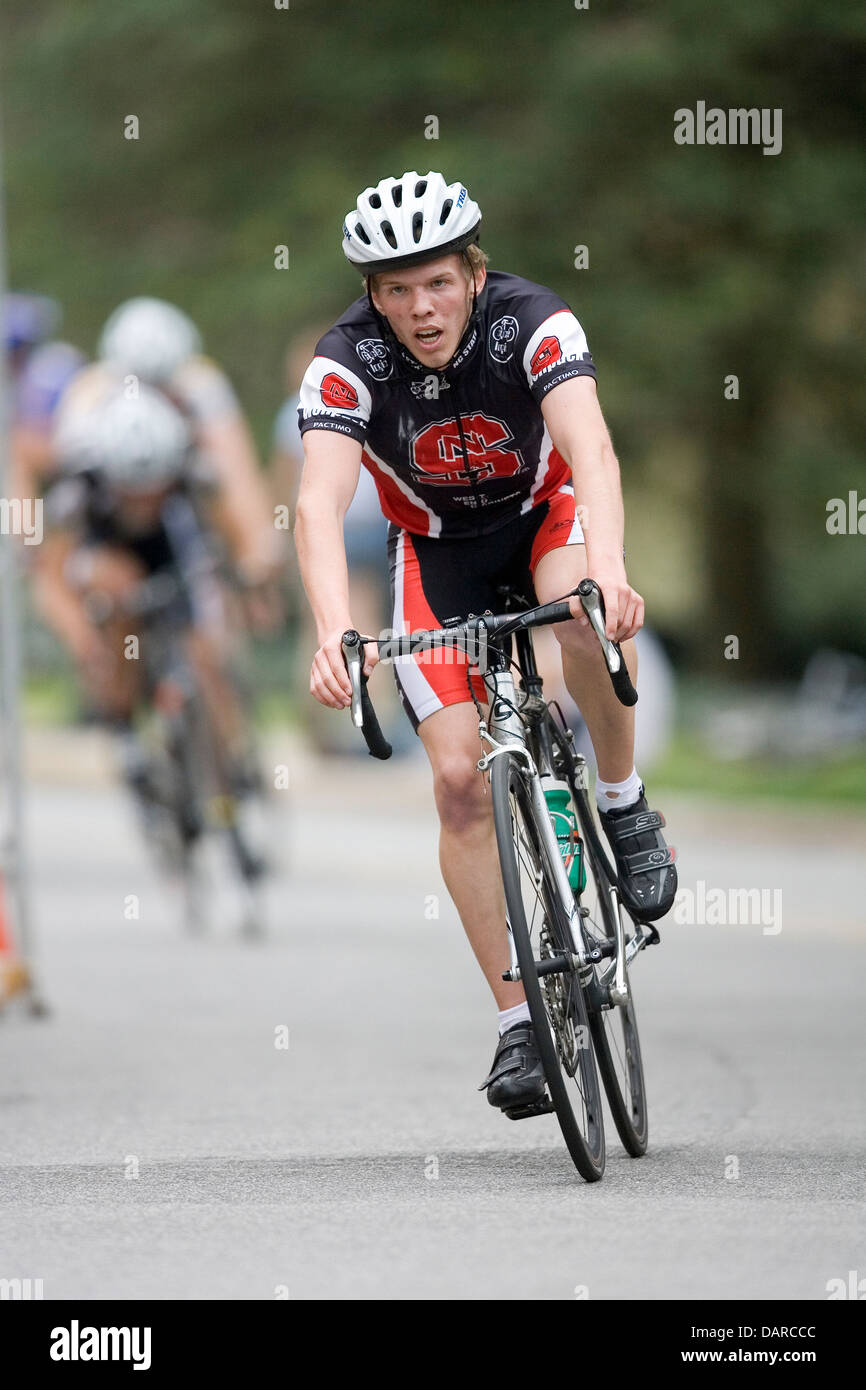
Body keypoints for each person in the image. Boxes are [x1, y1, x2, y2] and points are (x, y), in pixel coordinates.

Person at [293, 171, 677, 1114]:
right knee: (460, 783)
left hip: (548, 521)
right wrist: (334, 631)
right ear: (372, 296)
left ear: (474, 271)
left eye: (436, 282)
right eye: (395, 290)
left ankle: (623, 804)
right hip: (436, 554)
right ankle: (520, 1028)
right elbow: (317, 498)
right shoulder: (345, 362)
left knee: (584, 612)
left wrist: (614, 564)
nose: (419, 308)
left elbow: (591, 451)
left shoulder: (537, 322)